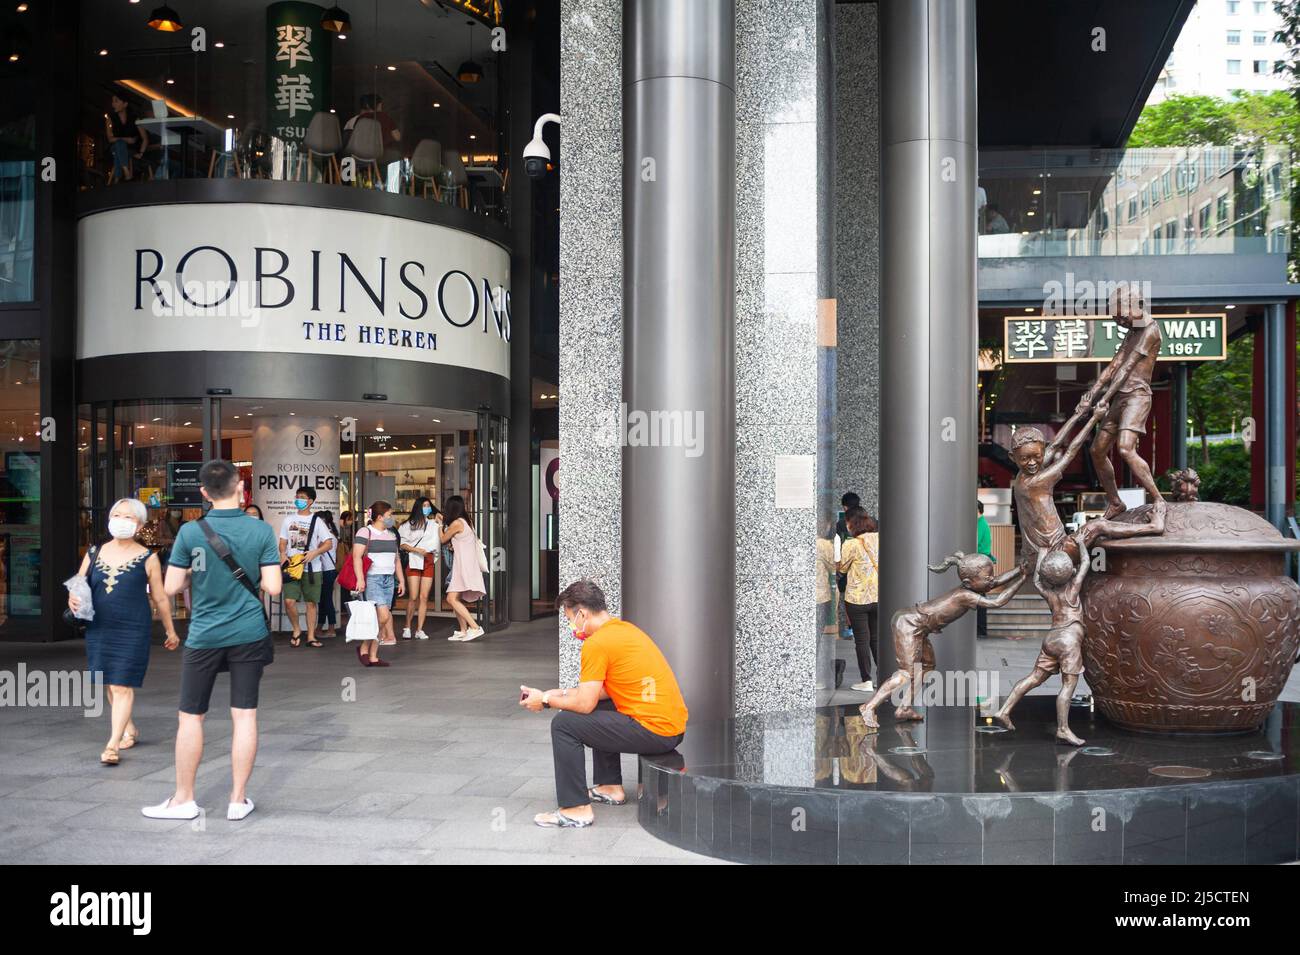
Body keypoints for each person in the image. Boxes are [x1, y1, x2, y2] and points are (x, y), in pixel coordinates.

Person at [142, 459, 282, 822]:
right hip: (249, 633)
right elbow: (273, 586)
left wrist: (193, 574)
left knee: (191, 717)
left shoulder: (190, 533)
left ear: (203, 492)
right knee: (245, 715)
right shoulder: (261, 531)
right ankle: (237, 800)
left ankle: (184, 800)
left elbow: (171, 587)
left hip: (204, 634)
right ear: (240, 488)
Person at [520, 579, 688, 829]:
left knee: (564, 724)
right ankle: (610, 787)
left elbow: (585, 704)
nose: (570, 625)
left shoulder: (596, 643)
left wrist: (545, 701)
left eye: (569, 618)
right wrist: (558, 692)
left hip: (656, 730)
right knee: (599, 709)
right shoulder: (623, 630)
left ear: (582, 614)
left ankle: (576, 809)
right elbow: (601, 693)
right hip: (671, 726)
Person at [70, 498, 180, 766]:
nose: (121, 520)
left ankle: (112, 745)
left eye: (129, 517)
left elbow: (160, 598)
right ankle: (129, 728)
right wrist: (72, 598)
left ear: (140, 525)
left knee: (121, 684)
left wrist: (170, 630)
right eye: (117, 515)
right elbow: (78, 584)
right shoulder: (94, 551)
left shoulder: (148, 557)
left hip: (132, 628)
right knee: (110, 682)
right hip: (99, 627)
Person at [860, 553, 1024, 729]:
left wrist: (1020, 570)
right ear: (969, 583)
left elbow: (995, 582)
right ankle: (868, 707)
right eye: (987, 578)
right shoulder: (964, 595)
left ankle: (904, 707)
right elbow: (997, 602)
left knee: (928, 667)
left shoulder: (970, 587)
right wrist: (1021, 579)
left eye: (991, 576)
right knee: (906, 673)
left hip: (920, 627)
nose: (991, 580)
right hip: (909, 624)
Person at [995, 529, 1091, 746]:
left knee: (1034, 678)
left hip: (1051, 638)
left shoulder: (1049, 593)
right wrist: (1081, 543)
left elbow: (1038, 581)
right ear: (1070, 571)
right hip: (1068, 640)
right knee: (1068, 685)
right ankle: (1063, 729)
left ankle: (1004, 710)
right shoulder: (1072, 590)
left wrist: (1042, 553)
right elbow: (1085, 563)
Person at [1082, 286, 1167, 521]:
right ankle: (1115, 502)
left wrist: (1103, 400)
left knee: (1125, 448)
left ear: (1135, 306)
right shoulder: (1132, 331)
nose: (1119, 321)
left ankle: (1158, 498)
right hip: (1120, 397)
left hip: (1137, 396)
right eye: (1116, 318)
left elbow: (1127, 368)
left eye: (1121, 315)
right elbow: (1114, 364)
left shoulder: (1150, 330)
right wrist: (1091, 394)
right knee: (1097, 450)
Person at [277, 486, 336, 648]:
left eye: (302, 497)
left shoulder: (317, 521)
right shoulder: (288, 519)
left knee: (311, 603)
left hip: (312, 569)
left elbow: (328, 543)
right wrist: (283, 554)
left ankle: (311, 636)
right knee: (289, 601)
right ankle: (296, 630)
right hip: (292, 567)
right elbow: (283, 542)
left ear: (310, 501)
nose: (299, 499)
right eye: (297, 496)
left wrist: (314, 553)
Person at [351, 501, 405, 667]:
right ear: (380, 517)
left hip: (388, 579)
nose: (392, 518)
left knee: (381, 618)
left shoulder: (391, 534)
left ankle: (373, 655)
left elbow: (396, 559)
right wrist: (360, 578)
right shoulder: (365, 531)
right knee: (383, 616)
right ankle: (365, 647)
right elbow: (356, 557)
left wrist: (401, 580)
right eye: (390, 515)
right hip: (373, 578)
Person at [837, 510, 879, 692]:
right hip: (878, 596)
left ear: (853, 526)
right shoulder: (880, 539)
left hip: (857, 598)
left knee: (862, 639)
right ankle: (885, 678)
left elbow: (843, 568)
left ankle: (867, 680)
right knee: (876, 638)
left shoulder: (851, 544)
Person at [439, 494, 485, 641]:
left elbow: (442, 539)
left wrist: (439, 525)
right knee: (455, 598)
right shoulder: (466, 521)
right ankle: (463, 630)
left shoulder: (457, 523)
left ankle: (475, 627)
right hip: (464, 564)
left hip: (463, 566)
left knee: (451, 599)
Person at [398, 496, 439, 640]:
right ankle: (407, 626)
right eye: (424, 505)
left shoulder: (434, 523)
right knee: (413, 596)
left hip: (428, 559)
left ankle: (420, 629)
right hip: (414, 559)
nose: (427, 508)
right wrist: (416, 550)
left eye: (429, 505)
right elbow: (402, 544)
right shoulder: (408, 524)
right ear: (418, 507)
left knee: (424, 597)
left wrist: (438, 515)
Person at [105, 94, 148, 183]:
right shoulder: (110, 118)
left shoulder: (135, 118)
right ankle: (127, 173)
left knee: (118, 149)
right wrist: (126, 139)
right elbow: (110, 139)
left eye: (116, 101)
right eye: (113, 101)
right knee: (119, 143)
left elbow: (145, 138)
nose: (113, 104)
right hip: (113, 148)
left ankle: (117, 179)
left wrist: (141, 153)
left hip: (130, 150)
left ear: (125, 104)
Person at [316, 510, 340, 636]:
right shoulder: (331, 535)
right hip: (328, 570)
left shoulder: (326, 537)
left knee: (326, 600)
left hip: (327, 571)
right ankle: (320, 627)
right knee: (323, 600)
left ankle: (331, 628)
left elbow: (316, 549)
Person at [976, 500, 994, 638]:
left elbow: (975, 544)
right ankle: (980, 630)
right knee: (979, 596)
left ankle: (981, 630)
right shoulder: (981, 523)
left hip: (980, 564)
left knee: (980, 597)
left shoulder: (980, 524)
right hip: (981, 563)